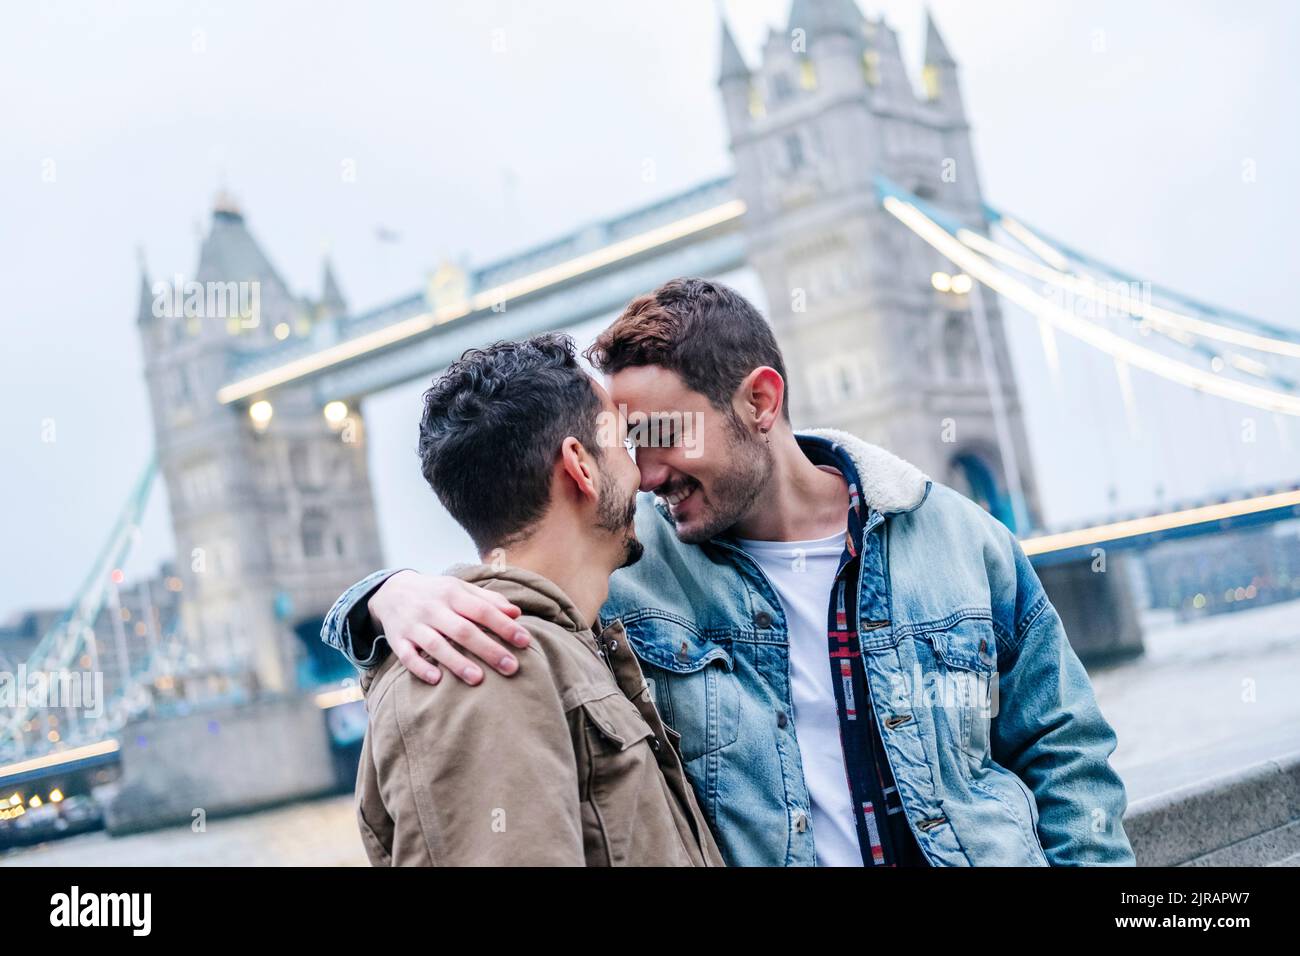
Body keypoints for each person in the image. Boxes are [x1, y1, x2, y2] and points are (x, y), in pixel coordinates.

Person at [329, 277, 1135, 867]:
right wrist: (380, 599)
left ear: (760, 400)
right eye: (626, 444)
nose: (645, 474)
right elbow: (512, 581)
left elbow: (1066, 751)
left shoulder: (962, 538)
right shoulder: (630, 568)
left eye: (662, 437)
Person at [353, 334, 723, 866]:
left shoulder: (555, 645)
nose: (642, 475)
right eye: (622, 444)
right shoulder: (482, 670)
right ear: (581, 466)